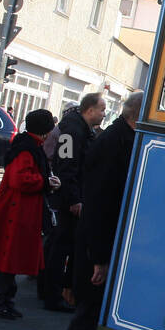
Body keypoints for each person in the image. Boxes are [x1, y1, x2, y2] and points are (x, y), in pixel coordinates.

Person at [46, 91, 141, 330]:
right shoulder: (112, 142)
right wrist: (99, 257)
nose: (102, 113)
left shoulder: (114, 138)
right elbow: (99, 202)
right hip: (94, 241)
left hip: (94, 238)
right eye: (99, 108)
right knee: (87, 317)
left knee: (93, 319)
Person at [0, 109, 58, 319]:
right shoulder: (27, 149)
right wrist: (46, 182)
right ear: (45, 132)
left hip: (19, 208)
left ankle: (4, 300)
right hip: (17, 210)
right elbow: (20, 180)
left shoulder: (26, 145)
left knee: (9, 257)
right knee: (8, 256)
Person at [41, 94, 105, 311]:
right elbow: (66, 168)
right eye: (102, 110)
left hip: (70, 197)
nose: (104, 114)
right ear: (89, 110)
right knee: (60, 248)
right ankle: (52, 293)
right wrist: (73, 199)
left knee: (59, 246)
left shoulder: (81, 131)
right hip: (67, 200)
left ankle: (52, 290)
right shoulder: (72, 131)